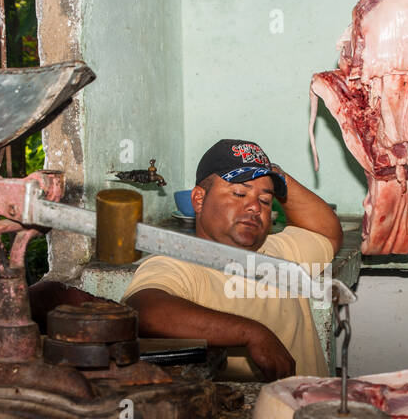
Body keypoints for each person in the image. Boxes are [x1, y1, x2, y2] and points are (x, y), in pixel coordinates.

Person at [122, 139, 342, 382]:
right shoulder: (180, 263)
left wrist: (275, 174)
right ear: (198, 200)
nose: (254, 207)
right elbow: (143, 311)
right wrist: (251, 334)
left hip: (313, 412)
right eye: (239, 193)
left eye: (266, 200)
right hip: (245, 415)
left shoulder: (280, 250)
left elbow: (327, 232)